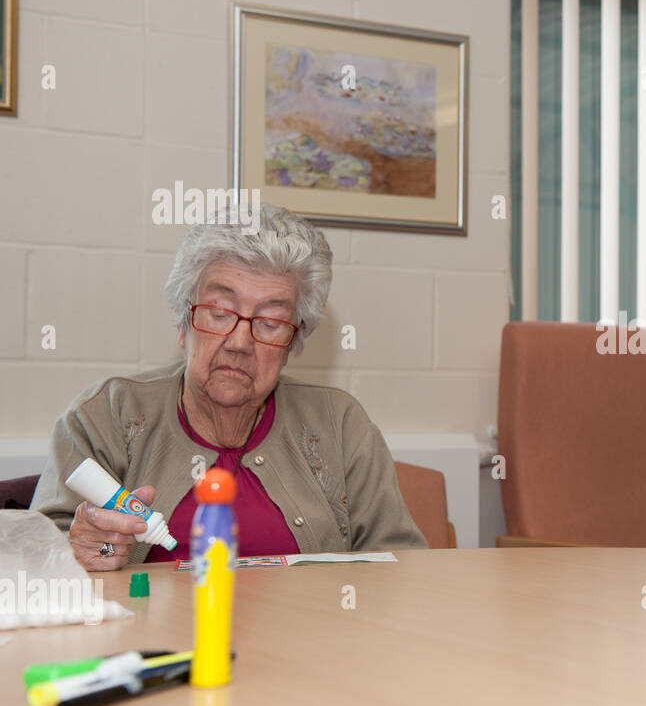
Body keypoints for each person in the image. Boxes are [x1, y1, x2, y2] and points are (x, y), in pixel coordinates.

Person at [30, 205, 427, 568]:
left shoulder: (339, 423)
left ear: (293, 343)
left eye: (270, 323)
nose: (240, 343)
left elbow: (403, 563)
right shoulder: (108, 414)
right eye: (220, 313)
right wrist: (91, 550)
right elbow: (34, 561)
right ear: (183, 323)